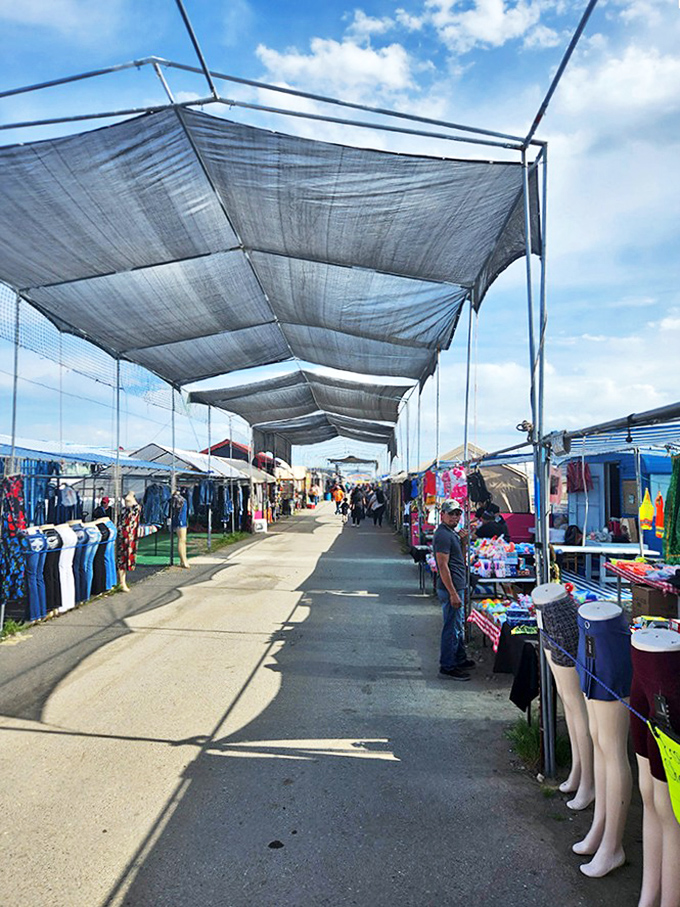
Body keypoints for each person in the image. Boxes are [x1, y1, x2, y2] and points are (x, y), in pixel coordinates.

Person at [433, 502, 475, 680]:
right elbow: (443, 566)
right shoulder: (443, 535)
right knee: (451, 627)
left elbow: (459, 558)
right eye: (451, 514)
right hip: (451, 588)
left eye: (457, 514)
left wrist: (463, 541)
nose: (455, 517)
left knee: (457, 626)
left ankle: (459, 658)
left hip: (457, 585)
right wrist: (452, 593)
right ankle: (448, 666)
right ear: (442, 514)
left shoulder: (452, 534)